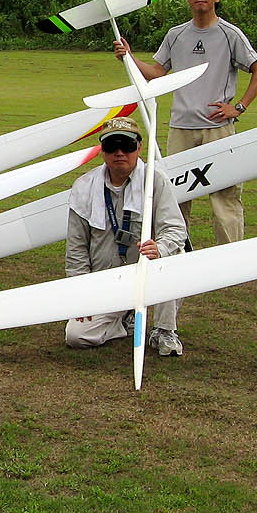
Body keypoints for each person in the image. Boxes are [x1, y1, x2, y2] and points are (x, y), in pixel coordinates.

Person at [114, 0, 257, 248]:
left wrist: (239, 107)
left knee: (225, 197)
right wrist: (129, 57)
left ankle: (230, 258)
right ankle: (175, 254)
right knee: (175, 197)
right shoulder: (176, 35)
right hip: (181, 129)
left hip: (217, 129)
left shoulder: (229, 34)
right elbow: (158, 72)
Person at [64, 117, 189, 354]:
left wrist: (159, 248)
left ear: (139, 147)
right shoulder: (83, 187)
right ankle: (123, 320)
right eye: (112, 146)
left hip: (146, 272)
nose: (119, 152)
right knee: (76, 336)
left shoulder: (155, 180)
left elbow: (175, 229)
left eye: (127, 145)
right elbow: (76, 248)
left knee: (174, 254)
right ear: (103, 150)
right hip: (106, 281)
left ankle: (164, 330)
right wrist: (80, 293)